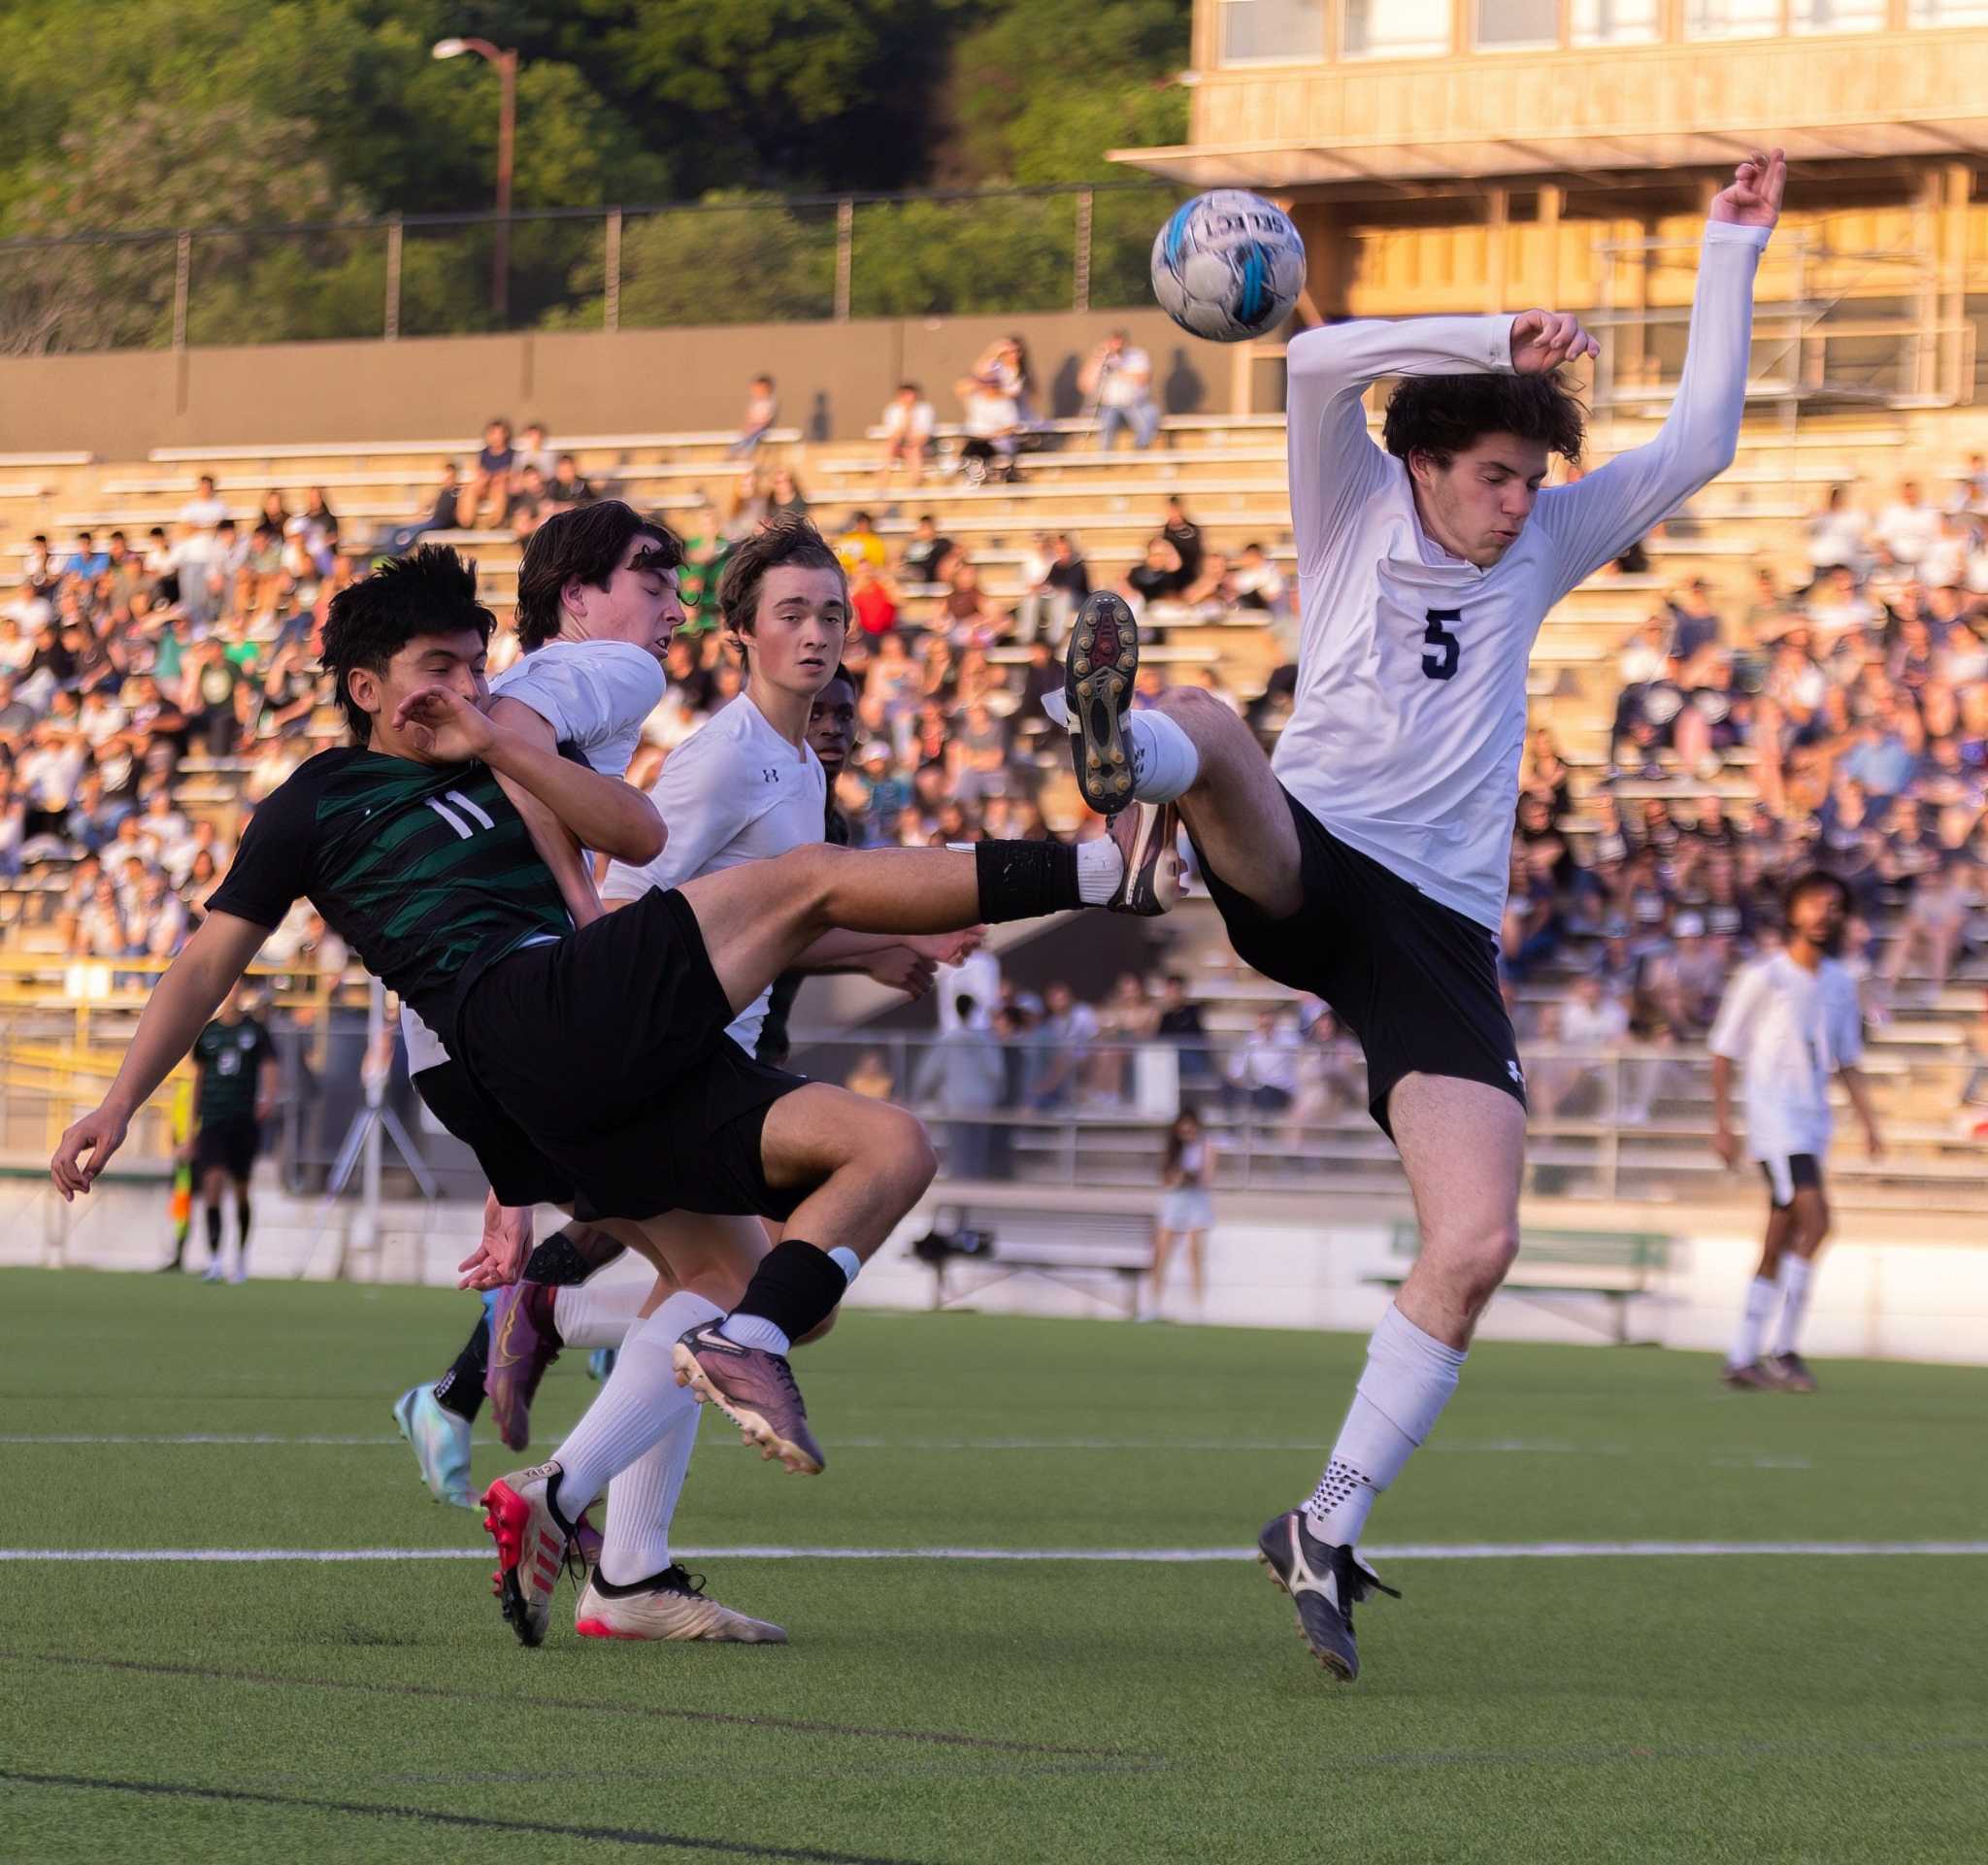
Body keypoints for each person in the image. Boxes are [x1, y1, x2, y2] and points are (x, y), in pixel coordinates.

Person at [50, 536, 1177, 1649]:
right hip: (518, 1020)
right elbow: (207, 961)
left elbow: (636, 832)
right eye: (435, 668)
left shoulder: (499, 752)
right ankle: (1099, 869)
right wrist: (118, 1101)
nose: (461, 687)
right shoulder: (320, 798)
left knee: (874, 1164)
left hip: (582, 1056)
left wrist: (500, 740)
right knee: (802, 880)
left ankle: (607, 1520)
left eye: (472, 665)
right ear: (363, 688)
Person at [1045, 150, 1785, 1682]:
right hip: (1310, 862)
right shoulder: (1356, 498)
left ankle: (1323, 1519)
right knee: (1216, 723)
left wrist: (1730, 242)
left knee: (1480, 1236)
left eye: (1534, 479)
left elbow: (1703, 437)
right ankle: (1138, 775)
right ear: (1434, 460)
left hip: (1439, 931)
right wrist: (1479, 340)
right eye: (1498, 474)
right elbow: (1315, 356)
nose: (1522, 505)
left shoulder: (1546, 546)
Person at [1709, 871, 1884, 1395]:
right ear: (1792, 912)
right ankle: (1784, 1348)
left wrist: (1870, 1121)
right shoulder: (1763, 976)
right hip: (1774, 1120)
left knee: (1781, 1234)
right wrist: (1723, 1123)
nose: (1823, 913)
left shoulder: (1838, 982)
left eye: (1833, 905)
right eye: (1813, 903)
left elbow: (1847, 1059)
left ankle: (1742, 1355)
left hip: (1812, 1122)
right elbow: (1723, 1050)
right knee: (1819, 1219)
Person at [183, 982, 278, 1282]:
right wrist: (191, 1127)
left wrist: (268, 1098)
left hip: (242, 1119)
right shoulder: (208, 1033)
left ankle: (241, 1257)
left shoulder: (255, 1032)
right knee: (211, 1183)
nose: (231, 994)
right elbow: (197, 1078)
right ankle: (213, 1258)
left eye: (236, 988)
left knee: (240, 1190)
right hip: (213, 1119)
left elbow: (270, 1066)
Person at [1150, 1110, 1213, 1309]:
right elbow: (1166, 1179)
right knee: (1162, 1252)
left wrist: (1189, 1177)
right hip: (1174, 1199)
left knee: (1194, 1253)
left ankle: (1197, 1305)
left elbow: (1207, 1178)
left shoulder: (1205, 1146)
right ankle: (1154, 1303)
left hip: (1196, 1199)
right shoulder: (1172, 1148)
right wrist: (1177, 1178)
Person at [1082, 331, 1159, 451]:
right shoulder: (1101, 358)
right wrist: (1097, 361)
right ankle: (1105, 457)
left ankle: (1140, 448)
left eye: (1120, 343)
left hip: (1136, 403)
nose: (1117, 347)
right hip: (1110, 405)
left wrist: (1118, 368)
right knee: (1107, 423)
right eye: (1113, 344)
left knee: (1151, 414)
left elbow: (1144, 379)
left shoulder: (1137, 356)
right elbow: (1085, 385)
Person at [879, 383, 936, 480]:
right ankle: (883, 480)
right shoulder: (893, 410)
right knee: (889, 447)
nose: (909, 398)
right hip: (900, 445)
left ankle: (915, 480)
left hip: (921, 446)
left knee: (913, 449)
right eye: (905, 395)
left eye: (910, 395)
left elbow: (924, 435)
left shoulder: (925, 409)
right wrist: (906, 418)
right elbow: (893, 435)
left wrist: (910, 442)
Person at [730, 375, 779, 457]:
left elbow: (767, 418)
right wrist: (748, 426)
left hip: (761, 428)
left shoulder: (770, 402)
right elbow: (749, 415)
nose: (758, 392)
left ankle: (746, 454)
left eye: (761, 389)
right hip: (752, 426)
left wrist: (757, 426)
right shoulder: (754, 402)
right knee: (743, 438)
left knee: (753, 439)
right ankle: (732, 452)